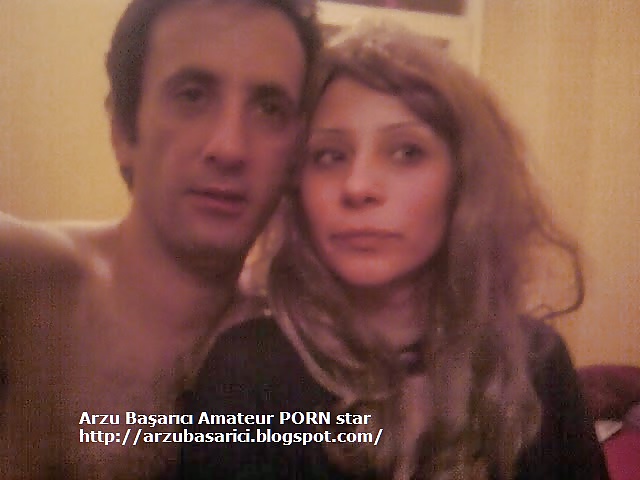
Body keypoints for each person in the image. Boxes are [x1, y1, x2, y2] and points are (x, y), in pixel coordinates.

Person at [181, 23, 609, 480]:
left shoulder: (536, 363)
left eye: (407, 152)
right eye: (329, 156)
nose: (358, 186)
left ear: (463, 181)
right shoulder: (248, 370)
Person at [0, 0, 321, 478]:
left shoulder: (300, 352)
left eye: (270, 108)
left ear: (295, 157)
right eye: (192, 96)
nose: (230, 148)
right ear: (123, 131)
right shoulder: (23, 282)